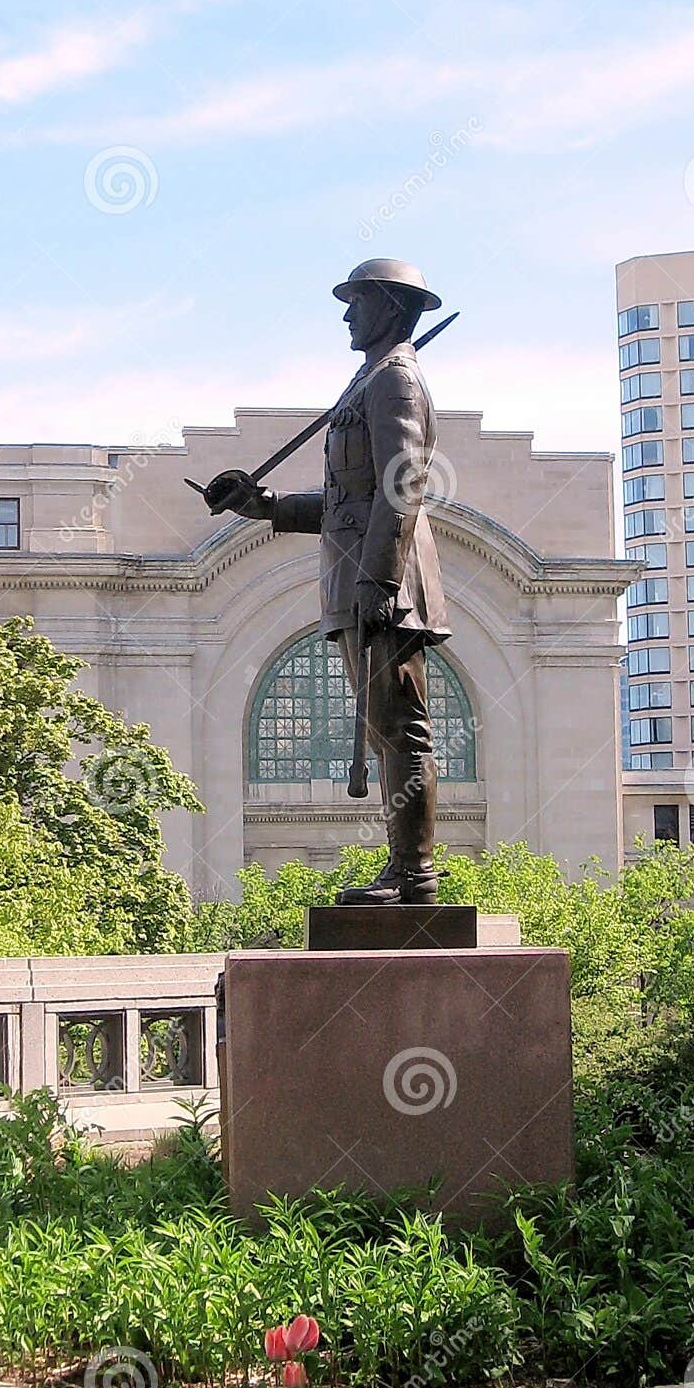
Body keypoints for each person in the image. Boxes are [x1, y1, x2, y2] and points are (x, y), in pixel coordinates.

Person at [203, 258, 451, 905]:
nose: (345, 313)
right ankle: (404, 869)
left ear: (391, 308)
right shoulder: (365, 381)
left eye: (357, 301)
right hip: (358, 582)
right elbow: (351, 502)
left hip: (382, 585)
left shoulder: (395, 380)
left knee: (402, 729)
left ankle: (414, 875)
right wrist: (265, 507)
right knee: (386, 728)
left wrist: (378, 580)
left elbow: (401, 490)